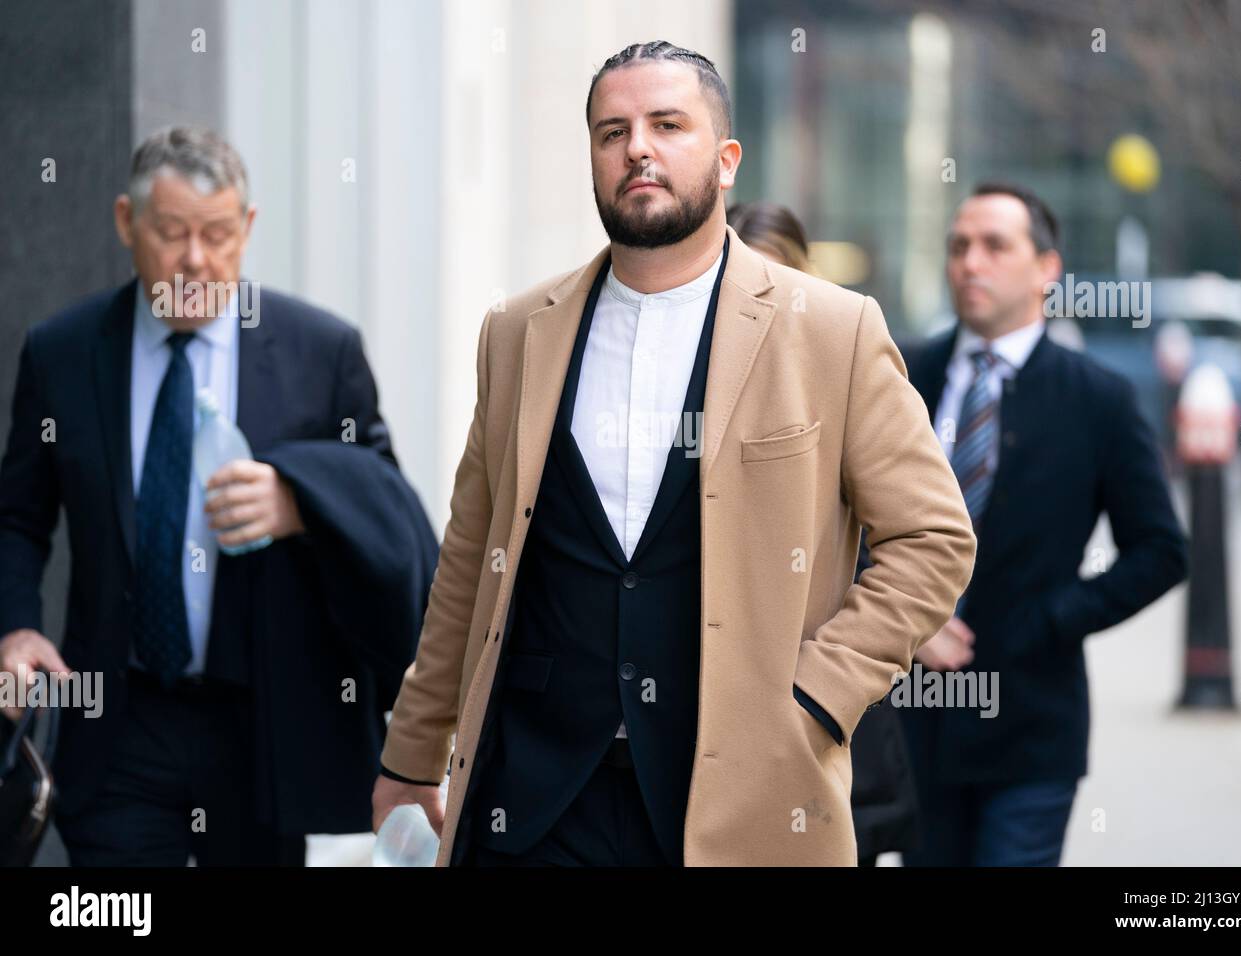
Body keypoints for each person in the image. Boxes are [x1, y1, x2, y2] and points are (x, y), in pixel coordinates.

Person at [373, 41, 976, 867]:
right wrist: (412, 751)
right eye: (611, 132)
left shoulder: (833, 331)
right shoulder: (517, 334)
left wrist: (818, 696)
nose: (638, 149)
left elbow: (933, 541)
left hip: (737, 803)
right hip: (535, 799)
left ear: (727, 160)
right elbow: (473, 558)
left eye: (666, 124)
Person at [0, 126, 439, 866]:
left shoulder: (318, 351)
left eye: (217, 234)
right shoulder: (63, 353)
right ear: (125, 223)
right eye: (171, 234)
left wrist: (301, 501)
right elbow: (18, 517)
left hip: (265, 728)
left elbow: (386, 510)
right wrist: (15, 629)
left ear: (249, 228)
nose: (195, 259)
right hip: (119, 723)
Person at [894, 182, 1189, 866]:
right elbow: (845, 522)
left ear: (1046, 269)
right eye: (960, 246)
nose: (972, 262)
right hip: (910, 723)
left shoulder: (1098, 398)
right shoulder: (902, 374)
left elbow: (1161, 549)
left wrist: (1052, 619)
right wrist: (903, 617)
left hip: (1031, 725)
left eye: (996, 245)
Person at [728, 199, 923, 866]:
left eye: (775, 278)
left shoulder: (841, 355)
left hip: (817, 711)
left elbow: (917, 536)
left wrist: (816, 693)